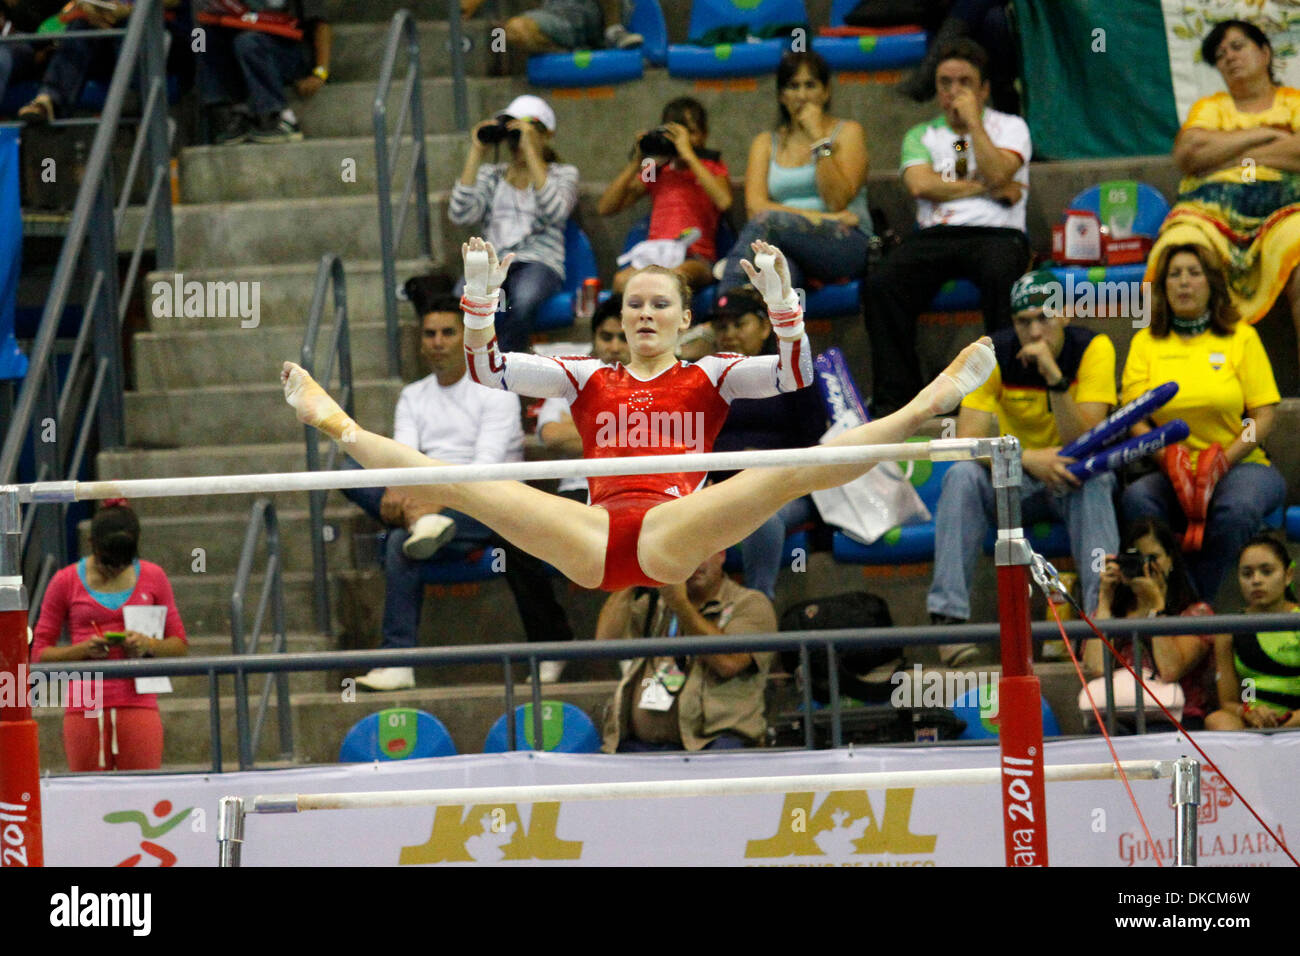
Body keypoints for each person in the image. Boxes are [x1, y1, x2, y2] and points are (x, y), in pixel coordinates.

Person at [281, 236, 997, 595]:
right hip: (592, 535)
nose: (646, 314)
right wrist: (477, 306)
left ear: (686, 320)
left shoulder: (710, 373)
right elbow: (483, 369)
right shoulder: (587, 374)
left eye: (661, 305)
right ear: (621, 324)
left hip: (669, 531)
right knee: (458, 480)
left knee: (793, 471)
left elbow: (794, 374)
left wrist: (785, 311)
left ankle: (927, 403)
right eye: (634, 307)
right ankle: (339, 425)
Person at [340, 275, 575, 692]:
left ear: (467, 337)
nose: (437, 341)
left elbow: (481, 472)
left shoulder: (495, 390)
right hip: (430, 501)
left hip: (490, 506)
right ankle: (399, 663)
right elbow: (403, 461)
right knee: (347, 467)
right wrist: (411, 498)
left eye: (448, 332)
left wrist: (429, 500)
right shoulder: (413, 395)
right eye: (429, 334)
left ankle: (401, 653)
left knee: (403, 539)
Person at [928, 269, 1119, 665]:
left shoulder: (1093, 348)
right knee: (961, 476)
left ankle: (1102, 619)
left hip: (1073, 475)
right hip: (1017, 478)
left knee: (1098, 480)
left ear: (1064, 314)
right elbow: (969, 441)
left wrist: (1054, 377)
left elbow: (1085, 442)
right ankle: (948, 622)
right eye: (1023, 321)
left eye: (1043, 318)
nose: (1033, 332)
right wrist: (1029, 458)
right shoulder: (994, 353)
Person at [862, 37, 1030, 417]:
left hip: (997, 234)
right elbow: (921, 185)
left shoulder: (1011, 127)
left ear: (984, 88)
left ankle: (1009, 392)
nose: (954, 91)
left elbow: (1000, 168)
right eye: (945, 83)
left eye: (965, 82)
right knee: (882, 283)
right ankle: (898, 402)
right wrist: (991, 186)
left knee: (1004, 274)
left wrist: (973, 125)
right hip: (936, 236)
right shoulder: (921, 135)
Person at [1120, 243, 1284, 603]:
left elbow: (1264, 416)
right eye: (1175, 275)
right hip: (1170, 469)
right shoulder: (1145, 342)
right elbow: (1133, 418)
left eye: (1194, 273)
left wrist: (1225, 458)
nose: (1184, 283)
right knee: (1137, 499)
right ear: (1163, 288)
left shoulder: (1241, 337)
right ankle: (1172, 610)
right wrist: (1166, 460)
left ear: (1211, 283)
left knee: (1235, 511)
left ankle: (1202, 610)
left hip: (1240, 465)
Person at [1149, 19, 1300, 371]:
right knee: (1178, 246)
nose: (1228, 57)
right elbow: (1189, 155)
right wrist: (1266, 133)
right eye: (1220, 54)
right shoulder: (1210, 106)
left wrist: (1226, 155)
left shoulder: (1293, 102)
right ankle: (1185, 384)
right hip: (1209, 211)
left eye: (1237, 46)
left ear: (1264, 52)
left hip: (1286, 211)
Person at [29, 502, 189, 771]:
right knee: (87, 797)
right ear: (91, 544)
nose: (115, 570)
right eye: (107, 562)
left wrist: (148, 644)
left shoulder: (154, 577)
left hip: (138, 703)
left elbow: (179, 646)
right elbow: (39, 653)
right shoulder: (64, 581)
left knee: (142, 797)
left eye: (123, 563)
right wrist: (81, 650)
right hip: (85, 706)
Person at [716, 51, 871, 295]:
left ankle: (726, 302)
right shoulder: (766, 142)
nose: (801, 95)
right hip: (790, 243)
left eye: (810, 85)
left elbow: (837, 200)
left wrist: (818, 139)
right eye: (793, 86)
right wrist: (824, 217)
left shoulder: (848, 132)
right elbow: (756, 208)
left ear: (826, 91)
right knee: (777, 276)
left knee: (769, 223)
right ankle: (755, 322)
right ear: (781, 95)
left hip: (845, 242)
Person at [707, 286, 825, 599]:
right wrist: (734, 458)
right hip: (722, 487)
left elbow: (814, 441)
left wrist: (768, 459)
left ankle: (758, 606)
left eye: (739, 324)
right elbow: (691, 444)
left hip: (785, 486)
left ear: (763, 327)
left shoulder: (792, 374)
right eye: (722, 327)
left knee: (762, 514)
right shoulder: (705, 380)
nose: (729, 334)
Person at [597, 551, 777, 752]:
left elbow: (729, 663)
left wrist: (680, 605)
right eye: (685, 551)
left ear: (722, 555)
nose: (695, 560)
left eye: (704, 551)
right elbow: (605, 645)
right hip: (640, 746)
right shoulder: (657, 605)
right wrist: (632, 578)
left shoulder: (750, 603)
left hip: (714, 745)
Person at [449, 94, 578, 355]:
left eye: (523, 132)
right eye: (512, 133)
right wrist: (476, 152)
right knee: (458, 300)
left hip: (539, 262)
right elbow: (459, 214)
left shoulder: (563, 174)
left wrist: (531, 152)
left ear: (546, 134)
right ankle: (469, 373)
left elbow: (556, 212)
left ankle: (505, 372)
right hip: (493, 262)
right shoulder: (492, 176)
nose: (516, 142)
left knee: (523, 301)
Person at [1083, 518, 1218, 731]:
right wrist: (1105, 601)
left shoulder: (1196, 614)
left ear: (1171, 560)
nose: (1145, 565)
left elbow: (1170, 670)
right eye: (1136, 558)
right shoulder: (1110, 614)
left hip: (1175, 720)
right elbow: (1097, 668)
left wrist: (1156, 605)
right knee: (1101, 733)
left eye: (1153, 557)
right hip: (1117, 715)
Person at [597, 96, 731, 294]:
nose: (681, 141)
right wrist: (638, 160)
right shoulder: (656, 169)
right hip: (655, 254)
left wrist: (689, 155)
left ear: (704, 134)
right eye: (675, 134)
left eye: (690, 133)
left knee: (673, 279)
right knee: (621, 281)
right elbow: (606, 208)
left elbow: (724, 201)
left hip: (695, 258)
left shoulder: (711, 166)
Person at [17, 0, 192, 124]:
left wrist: (125, 10)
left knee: (126, 23)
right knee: (81, 24)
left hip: (166, 41)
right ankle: (50, 102)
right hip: (115, 41)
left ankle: (134, 92)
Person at [193, 0, 332, 144]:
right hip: (248, 46)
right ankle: (236, 112)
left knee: (247, 42)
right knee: (204, 35)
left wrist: (320, 73)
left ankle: (279, 117)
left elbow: (321, 25)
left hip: (290, 52)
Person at [1206, 534, 1300, 731]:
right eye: (1247, 574)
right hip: (1254, 722)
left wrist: (1287, 721)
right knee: (1217, 720)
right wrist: (1248, 713)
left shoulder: (1296, 619)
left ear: (1288, 575)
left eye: (1266, 572)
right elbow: (1229, 701)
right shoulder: (1229, 630)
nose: (1256, 581)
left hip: (1295, 719)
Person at [461, 0, 640, 52]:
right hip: (558, 15)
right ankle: (571, 52)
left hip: (599, 13)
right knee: (506, 32)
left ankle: (614, 31)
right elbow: (463, 8)